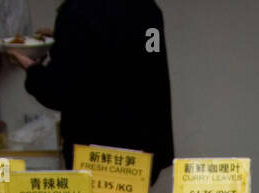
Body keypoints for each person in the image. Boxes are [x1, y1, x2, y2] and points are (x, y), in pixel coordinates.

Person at [10, 0, 173, 180]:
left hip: (95, 154)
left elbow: (60, 91)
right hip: (141, 149)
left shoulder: (77, 11)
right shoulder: (149, 10)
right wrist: (68, 41)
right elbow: (146, 60)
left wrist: (32, 69)